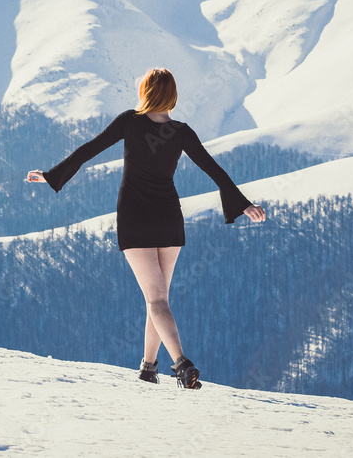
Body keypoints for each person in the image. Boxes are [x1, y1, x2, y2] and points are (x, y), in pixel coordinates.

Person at [26, 67, 266, 389]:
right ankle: (149, 367)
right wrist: (244, 204)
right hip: (168, 219)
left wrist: (52, 176)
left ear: (146, 92)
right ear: (172, 95)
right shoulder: (182, 132)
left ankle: (181, 363)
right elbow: (214, 170)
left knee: (156, 300)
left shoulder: (130, 121)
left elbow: (88, 150)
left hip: (135, 219)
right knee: (159, 299)